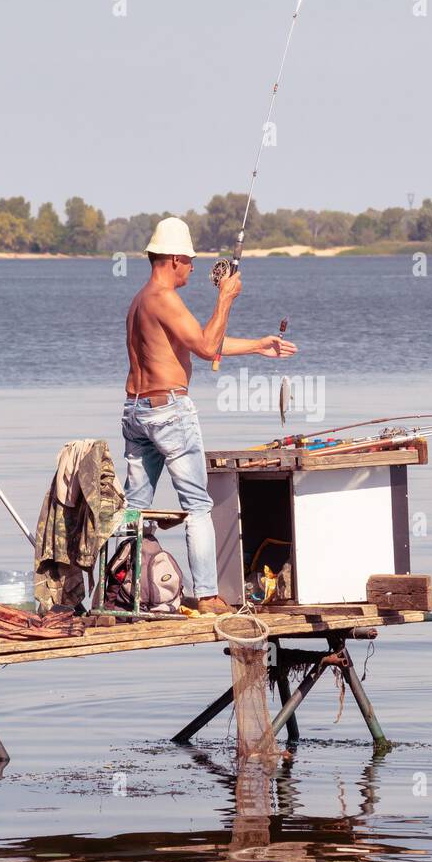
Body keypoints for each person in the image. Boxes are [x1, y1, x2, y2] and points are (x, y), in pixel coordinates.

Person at [123, 217, 297, 614]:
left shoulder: (141, 300)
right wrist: (226, 297)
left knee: (135, 510)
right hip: (168, 411)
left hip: (136, 411)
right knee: (197, 505)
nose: (192, 268)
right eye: (188, 261)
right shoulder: (164, 298)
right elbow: (205, 346)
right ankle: (206, 596)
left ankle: (125, 590)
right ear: (171, 260)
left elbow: (199, 342)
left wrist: (258, 346)